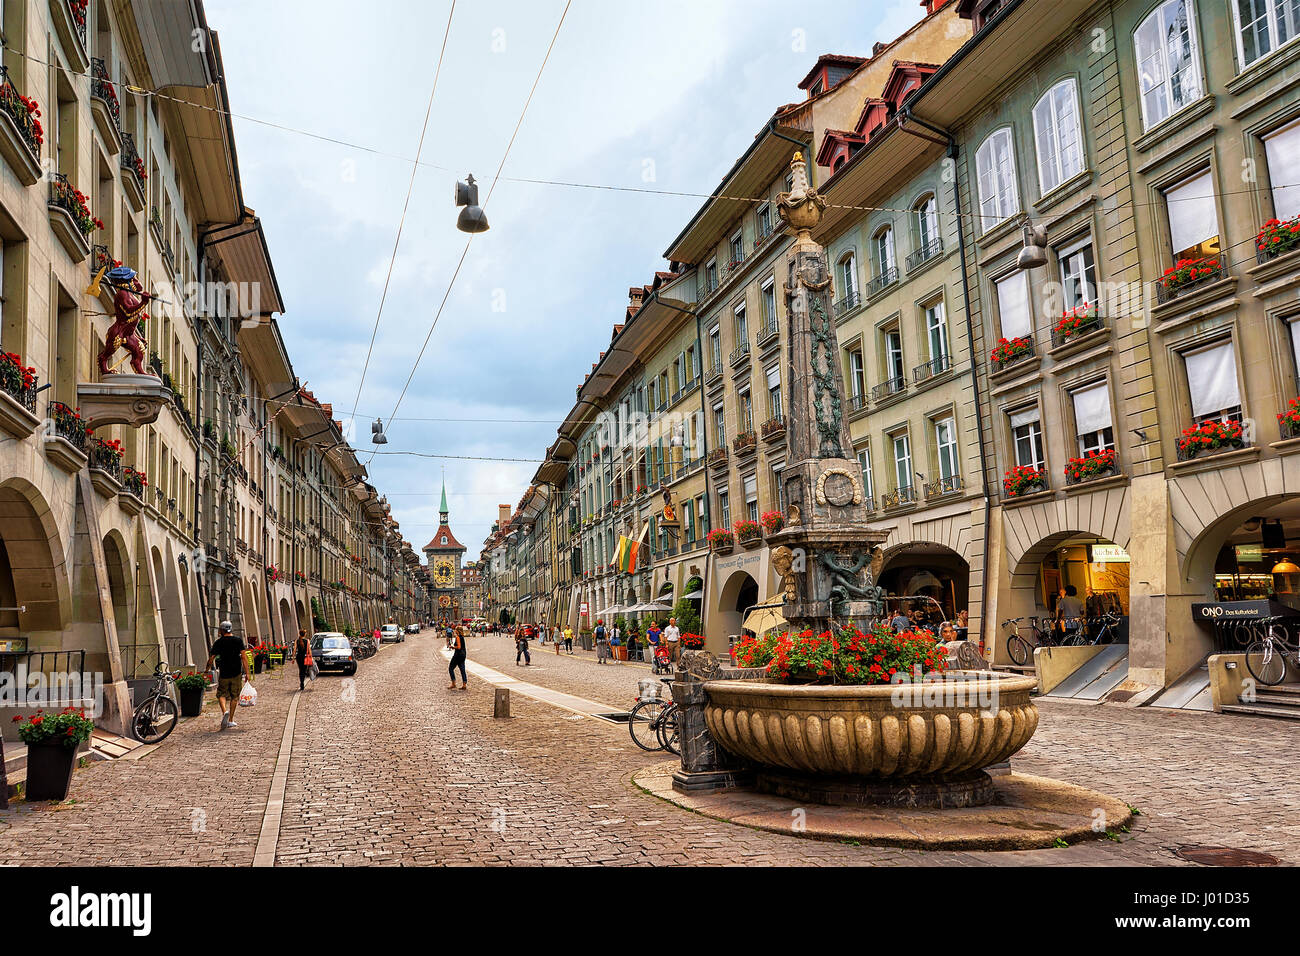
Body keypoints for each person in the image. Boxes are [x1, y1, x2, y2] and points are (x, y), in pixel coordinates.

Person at [205, 621, 249, 731]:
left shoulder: (219, 642)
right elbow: (244, 657)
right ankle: (230, 720)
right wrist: (247, 672)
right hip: (236, 672)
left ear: (221, 630)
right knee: (235, 696)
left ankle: (225, 711)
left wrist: (206, 670)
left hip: (224, 672)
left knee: (221, 694)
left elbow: (211, 658)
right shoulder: (238, 641)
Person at [448, 625, 468, 690]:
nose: (454, 630)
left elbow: (459, 647)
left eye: (455, 629)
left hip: (457, 655)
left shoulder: (458, 637)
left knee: (451, 668)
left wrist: (452, 647)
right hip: (463, 655)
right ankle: (464, 684)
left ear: (457, 631)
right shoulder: (462, 637)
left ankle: (453, 683)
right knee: (462, 670)